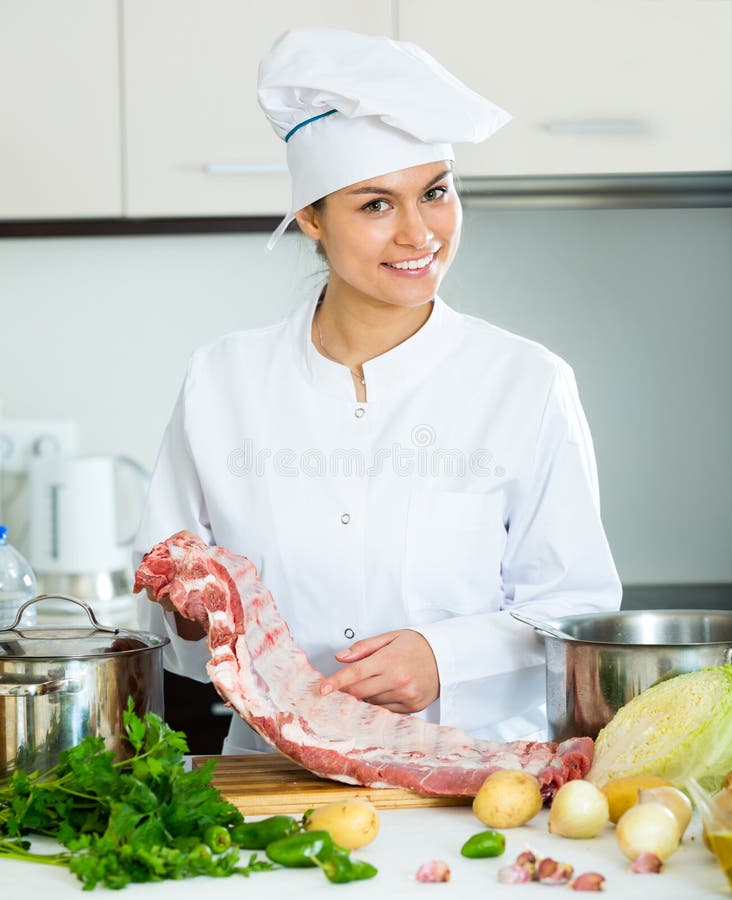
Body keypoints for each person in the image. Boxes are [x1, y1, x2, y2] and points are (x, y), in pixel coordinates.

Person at [134, 27, 621, 753]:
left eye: (435, 192)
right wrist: (189, 609)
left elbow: (579, 610)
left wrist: (446, 659)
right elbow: (157, 613)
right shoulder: (224, 381)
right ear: (311, 220)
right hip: (274, 778)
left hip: (477, 778)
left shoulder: (525, 382)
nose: (420, 232)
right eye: (375, 205)